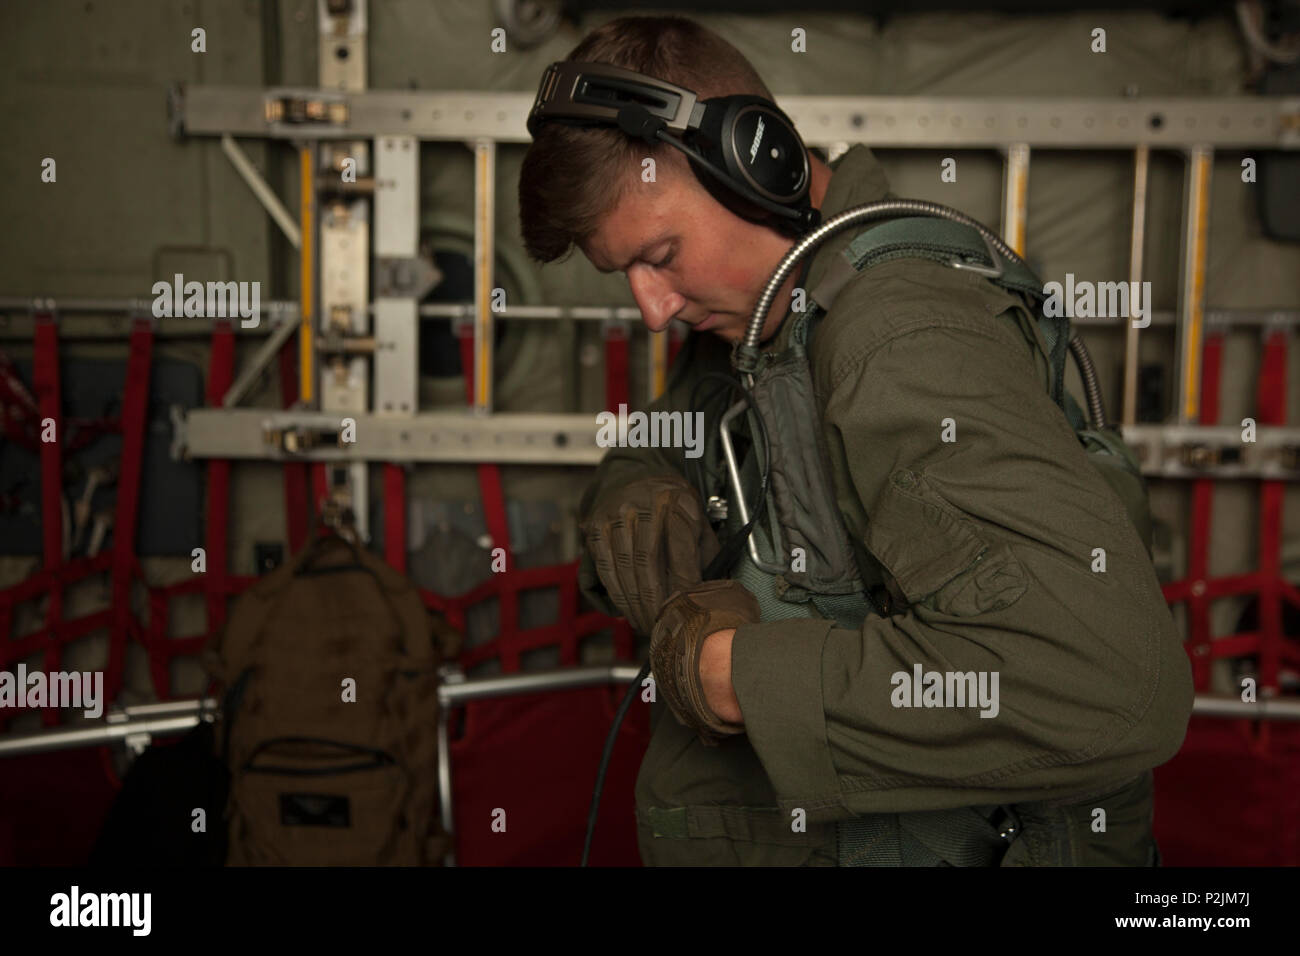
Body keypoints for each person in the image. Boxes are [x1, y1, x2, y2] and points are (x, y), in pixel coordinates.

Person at [518, 15, 1193, 866]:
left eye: (660, 254)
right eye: (627, 276)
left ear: (756, 164)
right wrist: (637, 485)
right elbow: (688, 427)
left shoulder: (898, 338)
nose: (651, 308)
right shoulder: (773, 311)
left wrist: (731, 675)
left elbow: (1105, 684)